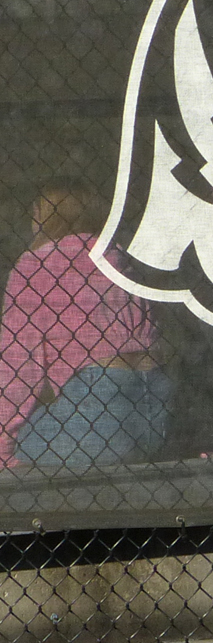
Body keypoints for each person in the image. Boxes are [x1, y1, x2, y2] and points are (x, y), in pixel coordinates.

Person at [0, 176, 170, 469]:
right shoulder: (118, 260)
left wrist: (3, 449)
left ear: (43, 215)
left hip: (96, 416)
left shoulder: (34, 266)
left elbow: (17, 373)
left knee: (23, 441)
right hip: (155, 415)